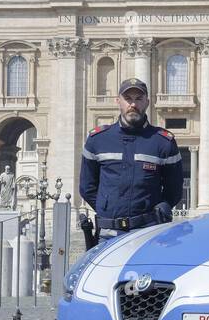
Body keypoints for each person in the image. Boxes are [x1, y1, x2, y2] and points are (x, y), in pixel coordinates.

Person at [79, 78, 184, 244]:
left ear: (147, 102)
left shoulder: (163, 142)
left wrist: (157, 210)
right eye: (128, 99)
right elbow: (87, 187)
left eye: (138, 99)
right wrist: (107, 208)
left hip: (147, 232)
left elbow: (174, 189)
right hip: (108, 233)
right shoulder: (97, 140)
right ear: (118, 101)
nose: (133, 104)